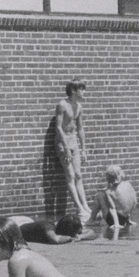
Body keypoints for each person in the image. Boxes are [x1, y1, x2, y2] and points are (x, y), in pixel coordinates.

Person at [0, 187, 95, 244]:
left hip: (24, 222)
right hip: (16, 226)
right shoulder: (48, 228)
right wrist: (72, 238)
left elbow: (93, 233)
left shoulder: (64, 224)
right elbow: (55, 240)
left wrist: (81, 237)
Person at [54, 79, 89, 218]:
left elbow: (80, 128)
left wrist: (83, 149)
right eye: (82, 89)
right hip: (63, 143)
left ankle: (85, 206)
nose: (84, 92)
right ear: (74, 91)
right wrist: (66, 147)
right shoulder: (62, 105)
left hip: (74, 141)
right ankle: (79, 208)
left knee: (79, 175)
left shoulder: (79, 107)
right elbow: (58, 127)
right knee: (71, 175)